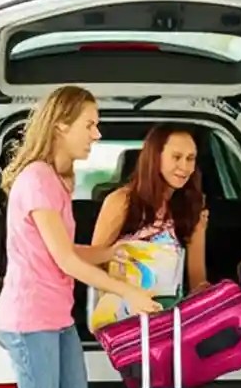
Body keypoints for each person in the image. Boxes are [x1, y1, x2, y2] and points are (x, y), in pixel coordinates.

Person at [0, 85, 162, 388]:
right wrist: (128, 290)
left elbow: (65, 253)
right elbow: (66, 262)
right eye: (89, 124)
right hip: (28, 320)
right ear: (61, 125)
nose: (97, 132)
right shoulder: (36, 180)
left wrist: (113, 253)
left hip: (57, 318)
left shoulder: (58, 181)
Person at [89, 124, 210, 326]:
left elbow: (197, 279)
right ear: (155, 157)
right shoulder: (121, 201)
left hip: (167, 321)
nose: (185, 167)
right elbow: (93, 261)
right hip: (122, 322)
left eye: (191, 159)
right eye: (176, 157)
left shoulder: (192, 209)